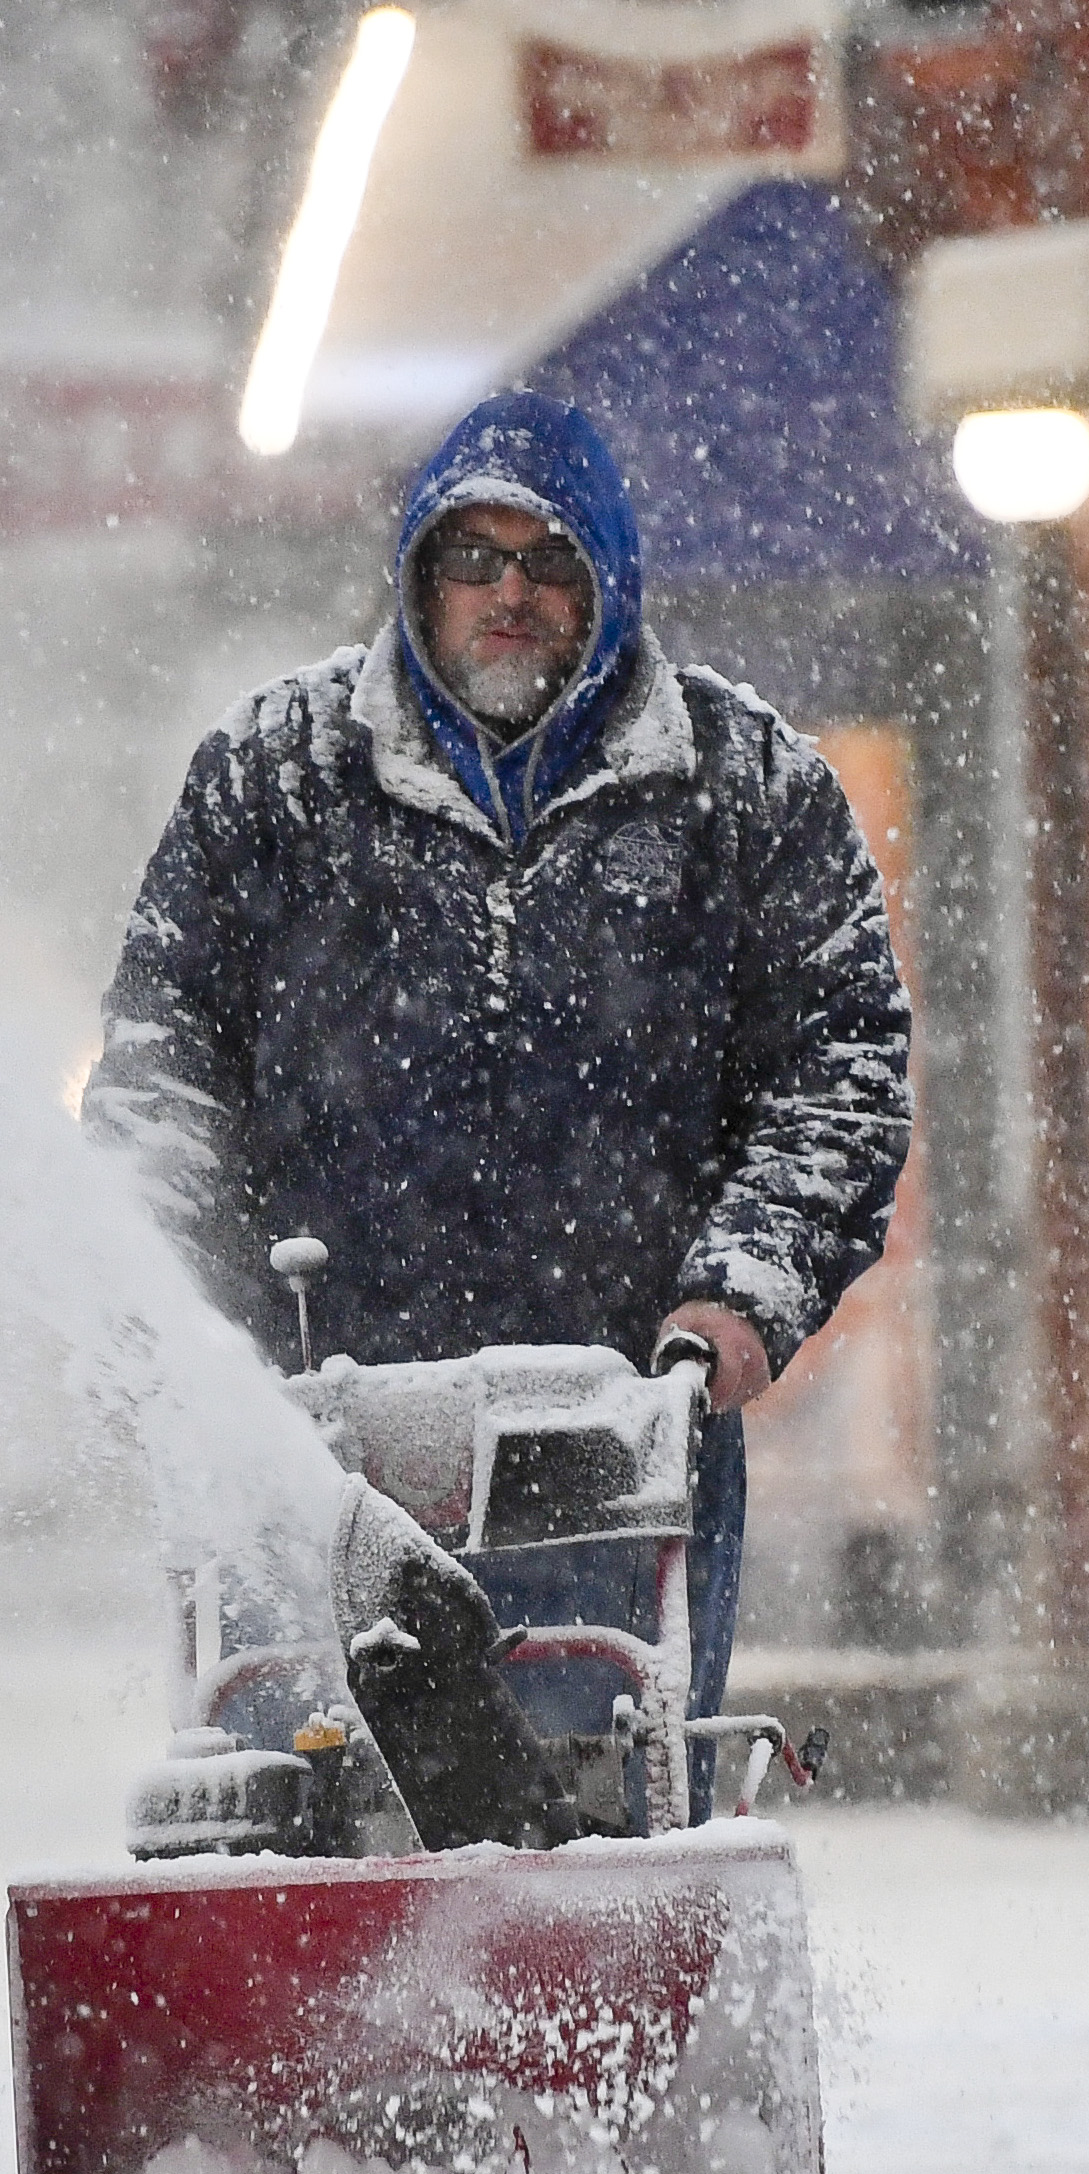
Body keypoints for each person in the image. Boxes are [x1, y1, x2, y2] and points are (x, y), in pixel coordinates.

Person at [83, 388, 911, 1835]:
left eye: (548, 560)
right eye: (473, 558)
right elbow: (162, 1077)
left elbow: (837, 1068)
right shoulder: (274, 781)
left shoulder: (743, 791)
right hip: (314, 1431)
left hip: (617, 1425)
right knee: (311, 1799)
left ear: (609, 581)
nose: (508, 593)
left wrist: (736, 1295)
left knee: (598, 1796)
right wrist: (164, 1314)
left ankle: (590, 2033)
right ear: (414, 578)